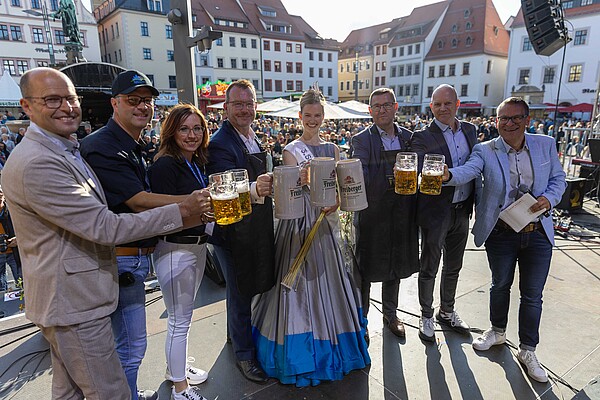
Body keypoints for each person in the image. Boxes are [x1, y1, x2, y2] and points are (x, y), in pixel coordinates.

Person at [1, 67, 210, 399]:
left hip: (78, 292)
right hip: (74, 297)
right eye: (52, 99)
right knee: (110, 388)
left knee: (70, 390)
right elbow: (104, 225)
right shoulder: (40, 161)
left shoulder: (63, 148)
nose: (66, 107)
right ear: (26, 106)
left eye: (70, 98)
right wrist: (185, 211)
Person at [81, 70, 205, 400]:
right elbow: (137, 201)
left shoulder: (133, 145)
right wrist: (190, 203)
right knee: (129, 346)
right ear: (114, 104)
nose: (142, 107)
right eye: (133, 101)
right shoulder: (105, 146)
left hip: (131, 260)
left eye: (147, 101)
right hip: (116, 260)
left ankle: (130, 393)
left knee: (130, 344)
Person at [251, 89, 370, 387]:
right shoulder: (292, 149)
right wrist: (302, 179)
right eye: (308, 116)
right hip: (301, 222)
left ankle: (335, 342)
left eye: (318, 115)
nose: (313, 120)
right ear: (300, 116)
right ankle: (299, 352)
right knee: (299, 285)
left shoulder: (334, 148)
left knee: (332, 282)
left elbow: (343, 190)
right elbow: (287, 192)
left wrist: (338, 202)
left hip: (326, 221)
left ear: (323, 116)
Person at [443, 97, 566, 383]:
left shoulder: (545, 144)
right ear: (496, 121)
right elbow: (469, 171)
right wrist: (447, 174)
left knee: (532, 295)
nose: (508, 124)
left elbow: (558, 180)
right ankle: (497, 332)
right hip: (501, 232)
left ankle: (528, 350)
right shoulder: (485, 150)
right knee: (500, 285)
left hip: (537, 232)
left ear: (527, 119)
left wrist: (549, 198)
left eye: (515, 118)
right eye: (503, 119)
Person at [206, 79, 275, 384]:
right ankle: (244, 357)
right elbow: (223, 185)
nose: (245, 109)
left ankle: (236, 339)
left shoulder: (252, 138)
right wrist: (255, 188)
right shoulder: (221, 142)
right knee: (240, 290)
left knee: (241, 289)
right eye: (238, 104)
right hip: (230, 230)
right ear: (226, 108)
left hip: (251, 226)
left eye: (249, 103)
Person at [148, 104, 212, 400]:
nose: (192, 134)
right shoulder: (165, 165)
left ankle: (178, 369)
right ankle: (179, 388)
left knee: (180, 318)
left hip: (194, 249)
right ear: (171, 131)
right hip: (176, 250)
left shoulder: (194, 162)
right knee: (179, 320)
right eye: (184, 128)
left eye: (197, 128)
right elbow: (163, 215)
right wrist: (202, 216)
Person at [351, 88, 419, 341]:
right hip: (373, 213)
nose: (381, 110)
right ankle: (363, 320)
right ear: (370, 111)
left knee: (396, 264)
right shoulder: (362, 140)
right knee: (366, 269)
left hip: (402, 211)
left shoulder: (410, 137)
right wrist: (391, 179)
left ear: (395, 107)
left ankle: (391, 314)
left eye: (386, 105)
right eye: (376, 106)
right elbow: (360, 174)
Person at [411, 84, 478, 343]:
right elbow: (417, 163)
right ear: (431, 107)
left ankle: (447, 310)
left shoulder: (470, 130)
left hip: (462, 210)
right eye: (437, 104)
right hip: (436, 211)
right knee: (429, 265)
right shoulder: (422, 135)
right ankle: (426, 314)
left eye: (447, 103)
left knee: (454, 266)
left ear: (457, 104)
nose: (442, 108)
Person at [0, 186, 22, 291]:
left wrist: (18, 239)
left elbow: (24, 227)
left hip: (13, 252)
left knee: (21, 282)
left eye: (1, 193)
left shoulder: (11, 209)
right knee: (1, 289)